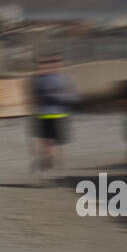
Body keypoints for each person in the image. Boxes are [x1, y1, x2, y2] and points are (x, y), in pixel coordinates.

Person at [29, 52, 78, 180]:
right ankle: (45, 166)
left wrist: (58, 95)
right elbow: (34, 98)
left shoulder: (65, 78)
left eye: (57, 62)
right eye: (51, 62)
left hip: (60, 115)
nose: (54, 65)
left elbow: (73, 96)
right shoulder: (38, 79)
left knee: (59, 145)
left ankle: (57, 170)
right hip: (44, 115)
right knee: (46, 145)